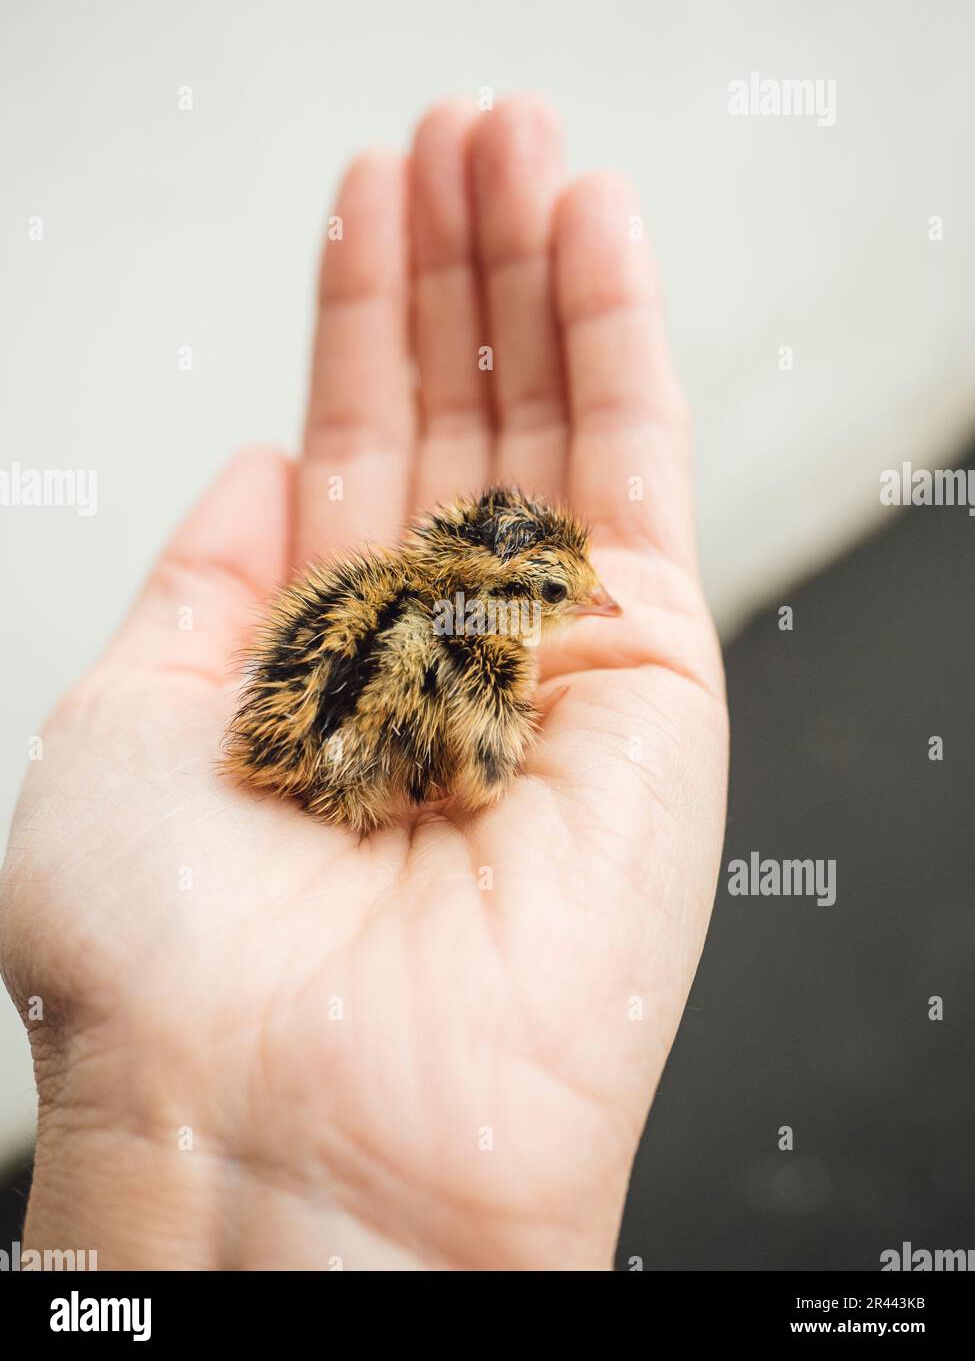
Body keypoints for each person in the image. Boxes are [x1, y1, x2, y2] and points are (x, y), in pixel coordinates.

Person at [0, 96, 728, 1270]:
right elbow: (483, 768)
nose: (595, 607)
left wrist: (150, 1163)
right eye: (560, 594)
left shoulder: (407, 598)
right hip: (341, 772)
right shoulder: (472, 659)